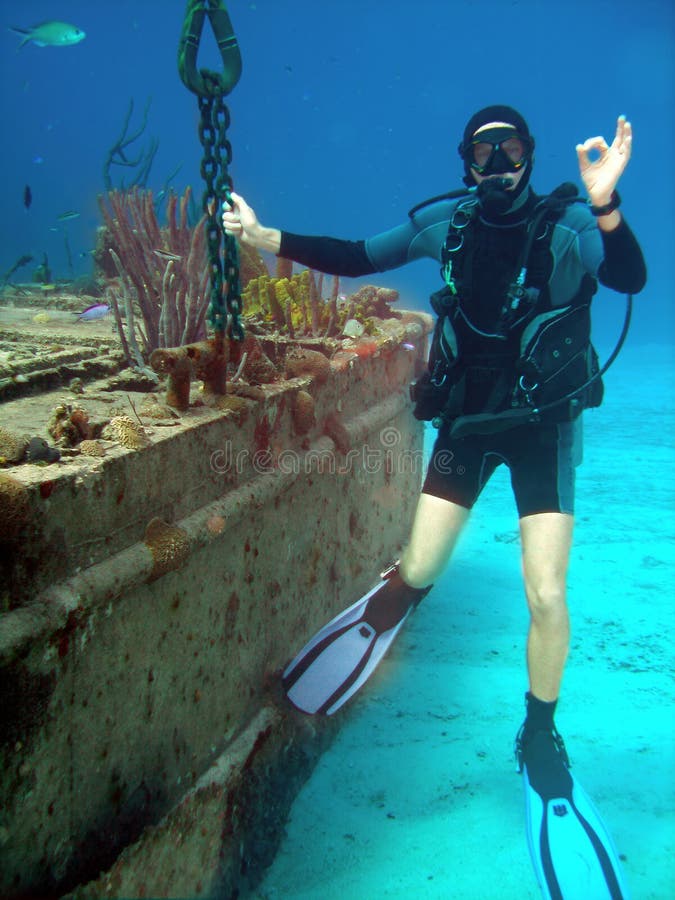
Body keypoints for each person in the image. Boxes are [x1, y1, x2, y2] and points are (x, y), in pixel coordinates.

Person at [222, 106, 646, 776]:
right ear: (464, 162)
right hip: (466, 423)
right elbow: (357, 255)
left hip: (543, 427)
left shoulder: (568, 225)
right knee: (418, 571)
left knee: (545, 594)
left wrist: (605, 202)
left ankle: (539, 731)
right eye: (483, 154)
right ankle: (394, 597)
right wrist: (260, 235)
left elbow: (627, 277)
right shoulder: (443, 224)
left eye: (509, 150)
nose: (498, 165)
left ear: (530, 155)